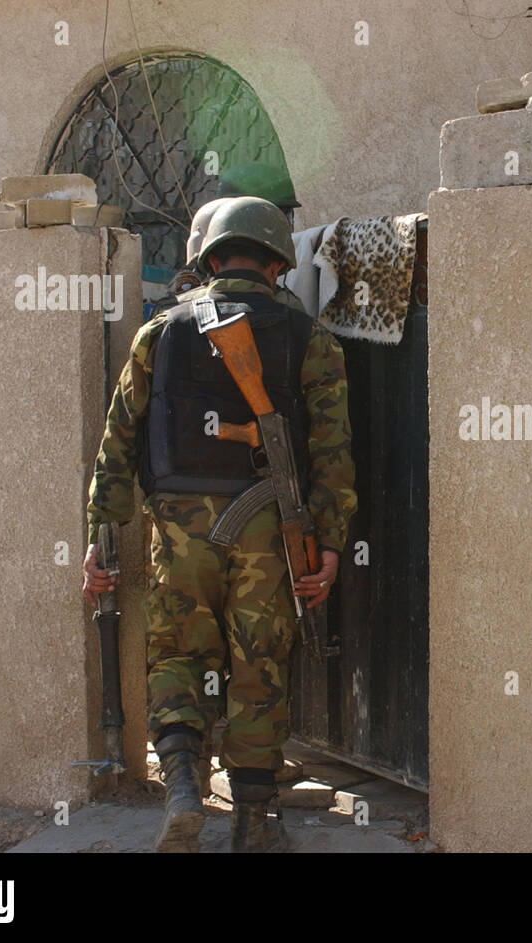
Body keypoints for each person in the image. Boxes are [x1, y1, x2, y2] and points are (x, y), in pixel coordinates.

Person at [82, 196, 357, 852]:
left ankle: (182, 783)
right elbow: (334, 452)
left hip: (177, 531)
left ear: (207, 257)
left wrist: (100, 534)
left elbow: (118, 438)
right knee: (258, 665)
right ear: (277, 262)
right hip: (266, 526)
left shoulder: (160, 331)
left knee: (176, 653)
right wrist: (332, 542)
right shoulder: (310, 337)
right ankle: (253, 823)